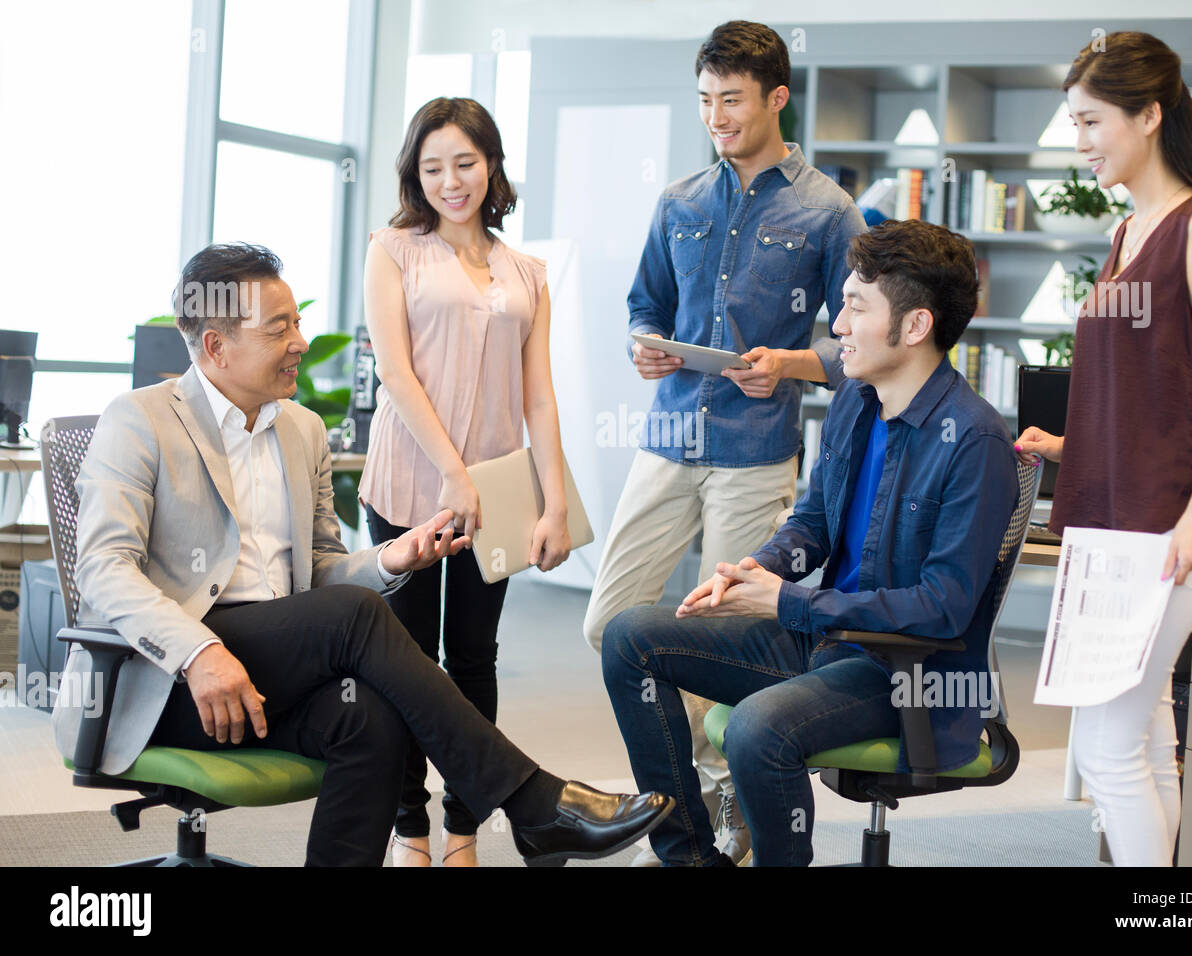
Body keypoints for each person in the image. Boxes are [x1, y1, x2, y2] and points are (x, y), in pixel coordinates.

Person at [52, 242, 672, 867]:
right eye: (280, 328)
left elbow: (320, 568)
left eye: (296, 321)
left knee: (370, 718)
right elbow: (104, 571)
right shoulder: (141, 420)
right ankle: (532, 802)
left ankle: (529, 809)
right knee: (354, 617)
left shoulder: (301, 430)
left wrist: (387, 561)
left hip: (272, 671)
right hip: (174, 685)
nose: (300, 340)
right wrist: (199, 651)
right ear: (216, 346)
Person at [602, 220, 1018, 865]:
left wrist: (790, 604)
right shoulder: (857, 397)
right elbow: (816, 523)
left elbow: (943, 608)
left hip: (903, 673)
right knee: (631, 638)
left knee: (755, 729)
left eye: (855, 308)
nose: (838, 328)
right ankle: (688, 857)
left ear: (914, 327)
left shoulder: (973, 441)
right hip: (827, 640)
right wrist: (756, 571)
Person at [582, 19, 868, 865]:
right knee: (610, 623)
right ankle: (706, 778)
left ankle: (713, 800)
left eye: (733, 100)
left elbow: (865, 344)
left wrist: (790, 361)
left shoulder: (827, 210)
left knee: (729, 634)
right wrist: (643, 341)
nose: (717, 116)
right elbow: (645, 302)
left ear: (777, 97)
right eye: (705, 100)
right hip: (668, 437)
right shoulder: (677, 200)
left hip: (756, 454)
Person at [1014, 31, 1192, 866]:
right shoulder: (1124, 233)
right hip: (1106, 519)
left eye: (1090, 122)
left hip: (1160, 528)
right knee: (1146, 741)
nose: (1079, 143)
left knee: (1109, 751)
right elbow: (1152, 388)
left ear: (1149, 115)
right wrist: (1074, 440)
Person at [358, 97, 571, 867]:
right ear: (416, 174)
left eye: (466, 163)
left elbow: (539, 395)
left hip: (498, 494)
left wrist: (553, 504)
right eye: (434, 166)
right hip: (410, 483)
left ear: (492, 165)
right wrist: (452, 474)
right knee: (408, 661)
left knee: (473, 659)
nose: (452, 181)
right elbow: (396, 371)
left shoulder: (528, 273)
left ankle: (462, 832)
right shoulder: (393, 250)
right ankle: (408, 828)